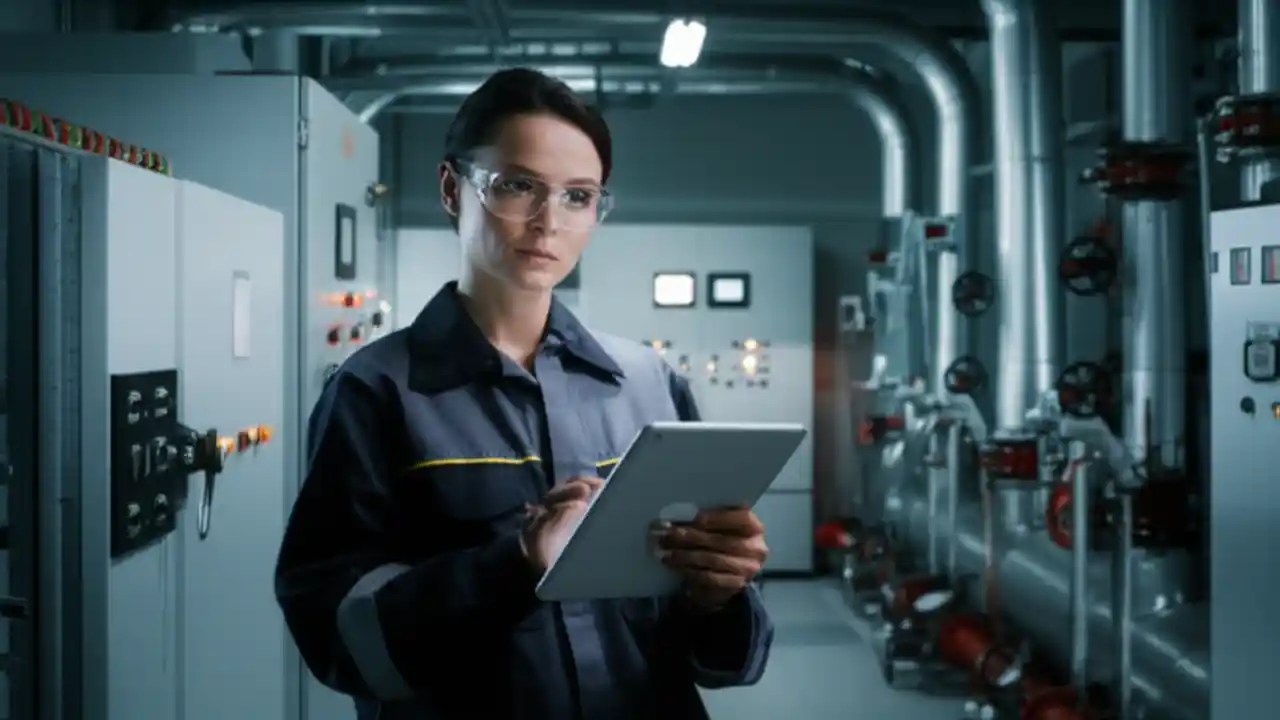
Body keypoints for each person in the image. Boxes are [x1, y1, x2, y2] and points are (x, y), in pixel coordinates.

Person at [274, 67, 774, 720]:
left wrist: (720, 590)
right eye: (517, 186)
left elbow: (715, 654)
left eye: (578, 196)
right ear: (452, 189)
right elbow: (341, 638)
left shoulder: (649, 384)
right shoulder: (376, 392)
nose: (547, 222)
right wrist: (514, 565)